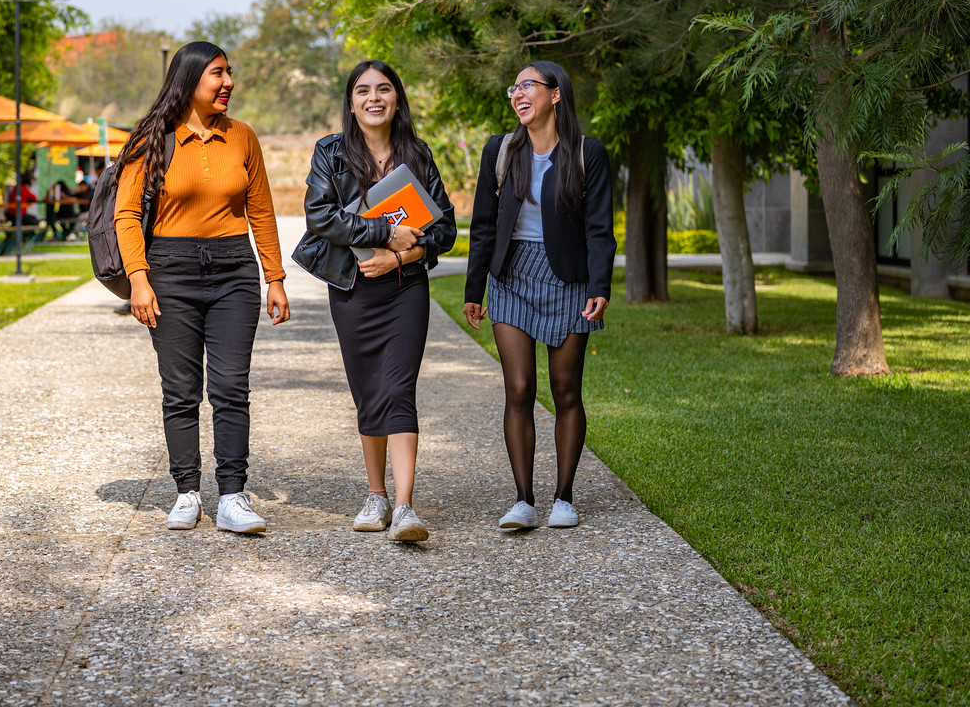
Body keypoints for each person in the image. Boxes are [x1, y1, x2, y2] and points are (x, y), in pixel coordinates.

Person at [114, 41, 291, 534]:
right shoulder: (151, 140)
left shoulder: (243, 138)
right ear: (190, 80)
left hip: (235, 271)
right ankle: (187, 492)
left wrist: (274, 278)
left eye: (229, 73)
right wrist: (139, 280)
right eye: (217, 73)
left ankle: (232, 495)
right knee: (181, 390)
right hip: (170, 271)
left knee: (232, 387)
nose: (228, 82)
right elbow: (126, 213)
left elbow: (261, 212)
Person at [295, 60, 456, 542]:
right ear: (351, 102)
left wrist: (401, 259)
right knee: (368, 390)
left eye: (384, 89)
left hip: (406, 289)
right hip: (352, 288)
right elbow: (321, 215)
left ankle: (405, 506)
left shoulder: (419, 155)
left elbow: (444, 228)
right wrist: (387, 234)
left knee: (399, 389)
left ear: (397, 99)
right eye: (363, 91)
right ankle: (376, 495)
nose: (374, 98)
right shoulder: (331, 153)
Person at [462, 61, 616, 530]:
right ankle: (523, 499)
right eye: (514, 87)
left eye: (528, 85)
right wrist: (474, 288)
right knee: (519, 388)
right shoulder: (501, 150)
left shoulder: (588, 153)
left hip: (568, 280)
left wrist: (599, 287)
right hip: (512, 277)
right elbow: (484, 225)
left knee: (566, 390)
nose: (518, 94)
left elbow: (600, 229)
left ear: (555, 95)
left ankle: (564, 497)